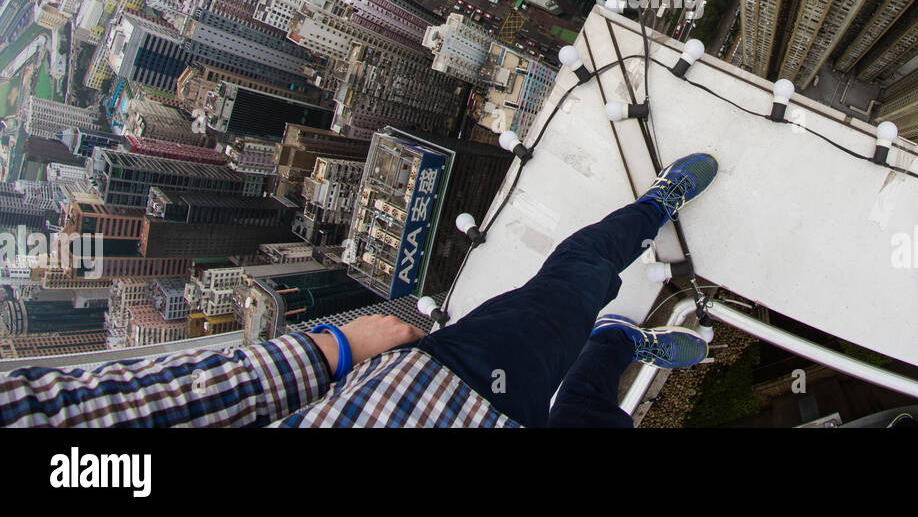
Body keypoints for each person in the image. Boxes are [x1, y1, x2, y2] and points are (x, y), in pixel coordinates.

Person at [0, 154, 719, 428]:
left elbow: (115, 415)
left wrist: (329, 349)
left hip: (442, 401)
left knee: (578, 282)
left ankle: (651, 211)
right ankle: (616, 349)